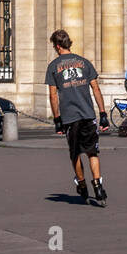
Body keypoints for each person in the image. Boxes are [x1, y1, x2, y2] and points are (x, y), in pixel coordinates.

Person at [45, 29, 110, 203]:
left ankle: (81, 184)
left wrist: (57, 119)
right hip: (88, 114)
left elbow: (53, 96)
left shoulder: (53, 66)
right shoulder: (85, 62)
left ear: (58, 46)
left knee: (75, 153)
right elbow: (96, 88)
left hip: (70, 117)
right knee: (92, 152)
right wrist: (103, 113)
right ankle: (98, 185)